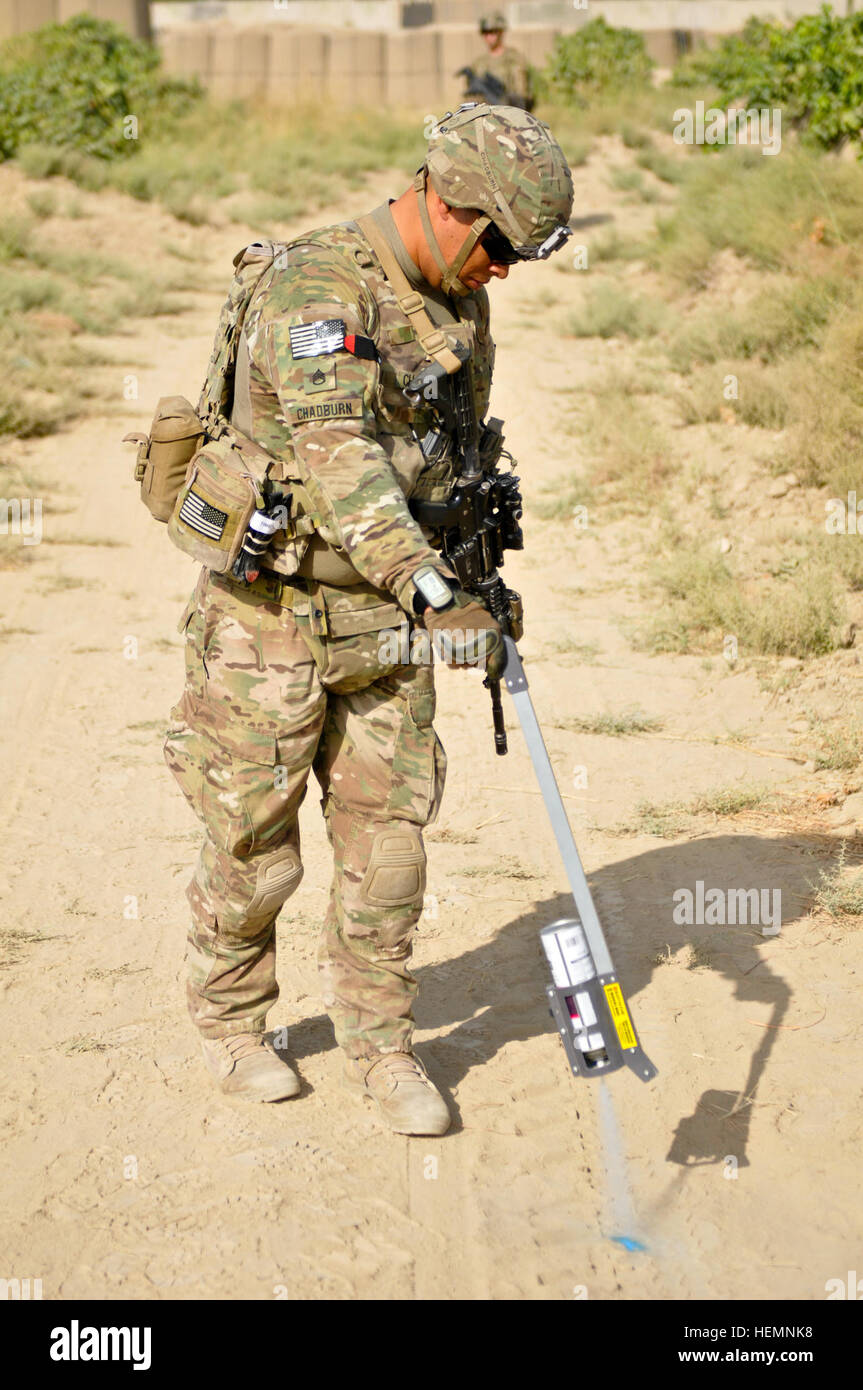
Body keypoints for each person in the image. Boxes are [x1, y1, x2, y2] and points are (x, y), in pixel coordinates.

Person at [164, 103, 573, 1136]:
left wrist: (473, 565)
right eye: (498, 247)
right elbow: (336, 457)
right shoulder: (316, 286)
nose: (504, 272)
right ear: (445, 202)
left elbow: (453, 454)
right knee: (253, 847)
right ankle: (232, 1021)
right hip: (273, 619)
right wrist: (429, 588)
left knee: (388, 850)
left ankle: (382, 1046)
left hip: (386, 623)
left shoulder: (455, 302)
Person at [462, 12, 535, 112]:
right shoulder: (478, 63)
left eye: (492, 32)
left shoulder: (514, 59)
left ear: (501, 32)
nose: (489, 36)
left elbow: (522, 95)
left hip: (509, 112)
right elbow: (471, 96)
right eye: (485, 32)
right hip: (483, 115)